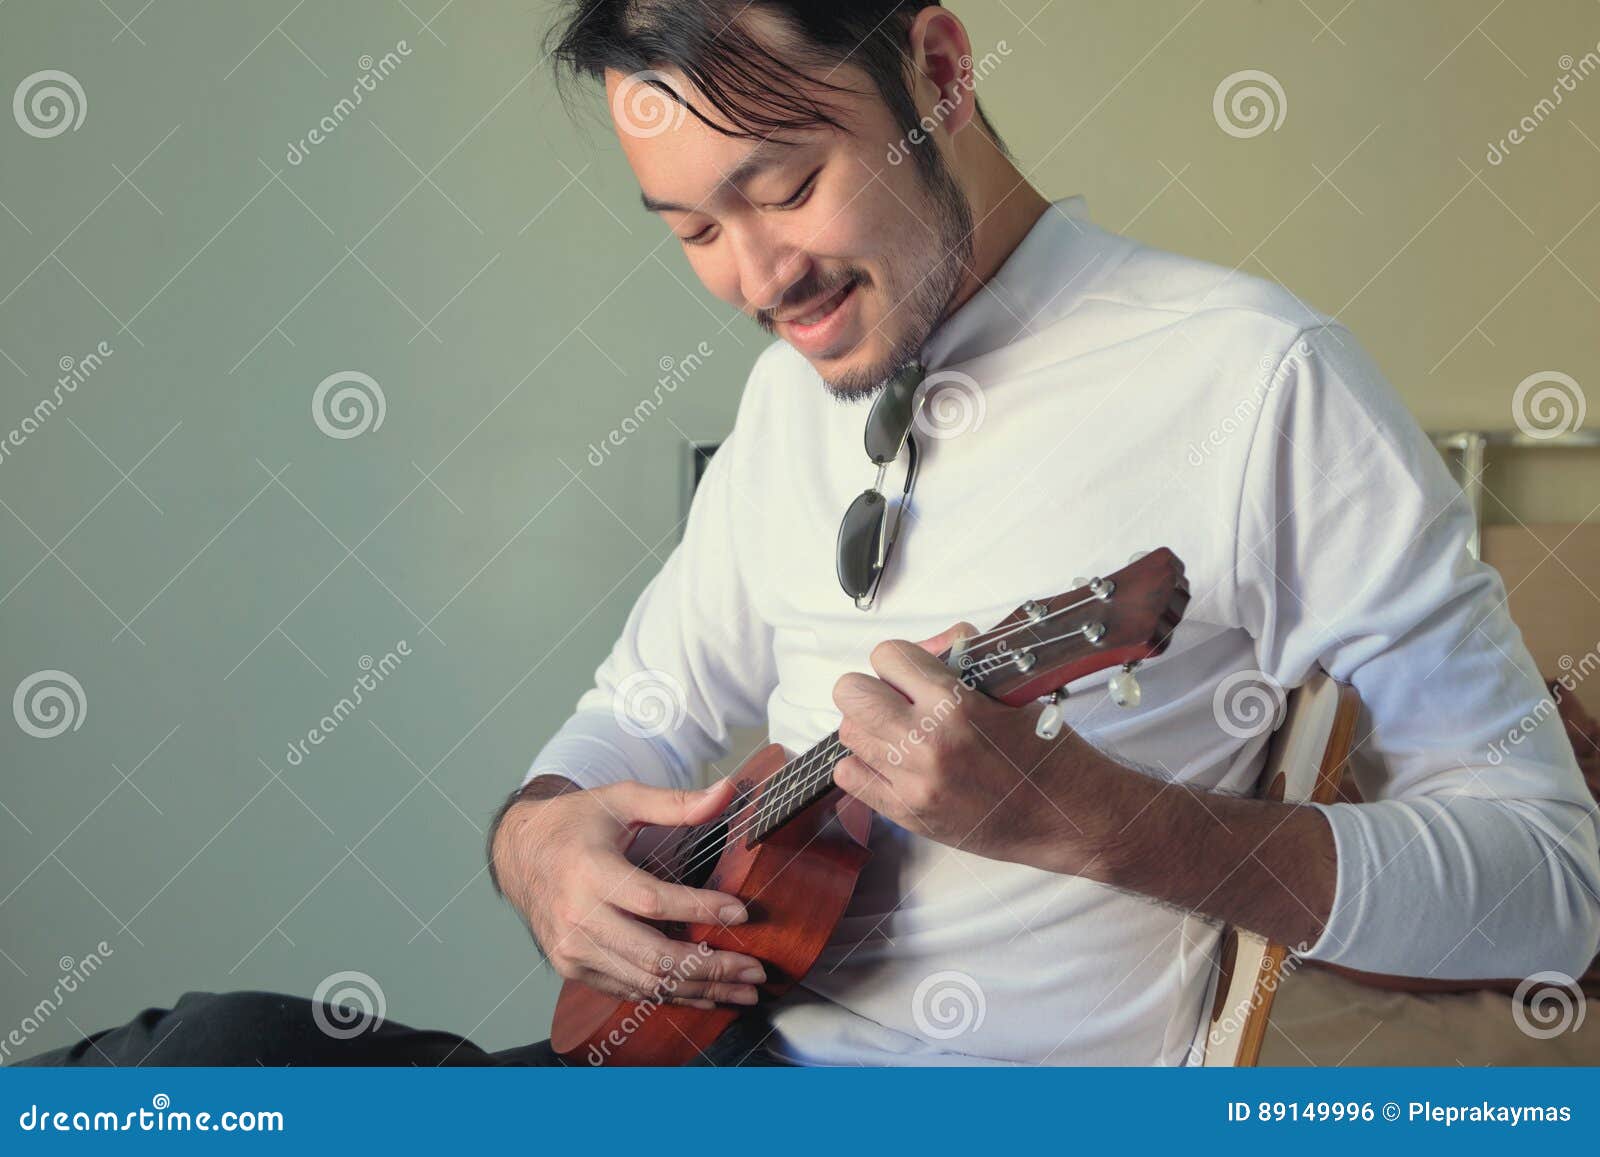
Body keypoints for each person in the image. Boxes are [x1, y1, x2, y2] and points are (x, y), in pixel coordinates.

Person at [23, 0, 1599, 1068]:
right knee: (181, 1062)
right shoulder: (792, 400)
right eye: (694, 229)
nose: (755, 277)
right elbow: (635, 710)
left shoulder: (1257, 381)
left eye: (782, 184)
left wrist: (1096, 821)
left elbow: (1551, 881)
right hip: (697, 1072)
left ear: (939, 66)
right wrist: (537, 845)